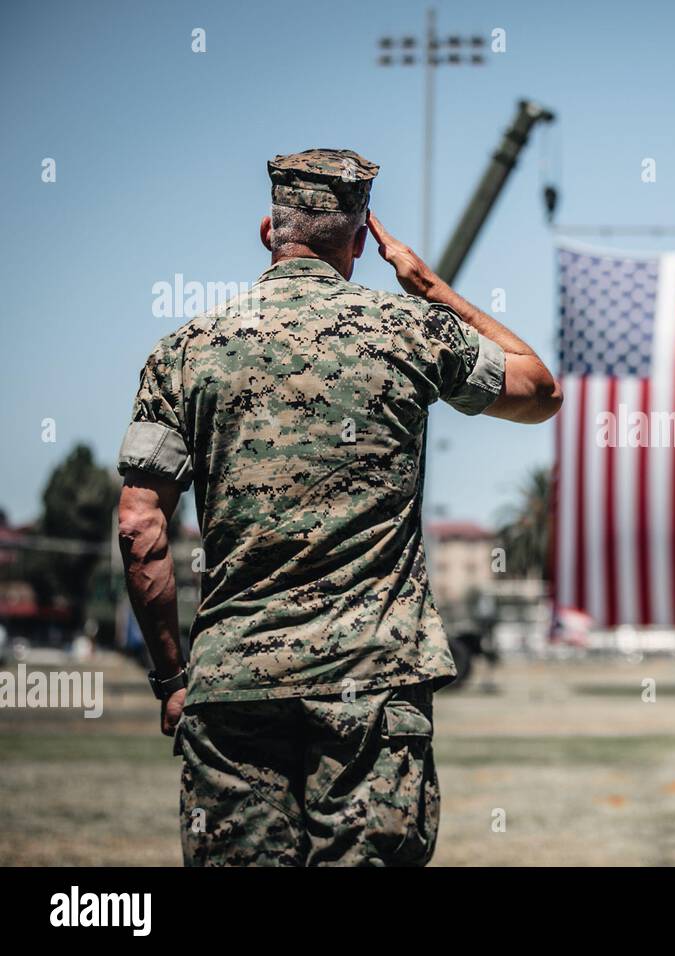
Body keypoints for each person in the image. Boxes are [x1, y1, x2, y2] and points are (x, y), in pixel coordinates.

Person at [115, 148, 561, 866]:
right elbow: (541, 391)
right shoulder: (411, 328)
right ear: (359, 241)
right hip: (373, 691)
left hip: (234, 687)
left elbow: (139, 525)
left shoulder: (184, 351)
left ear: (270, 230)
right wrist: (430, 286)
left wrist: (172, 679)